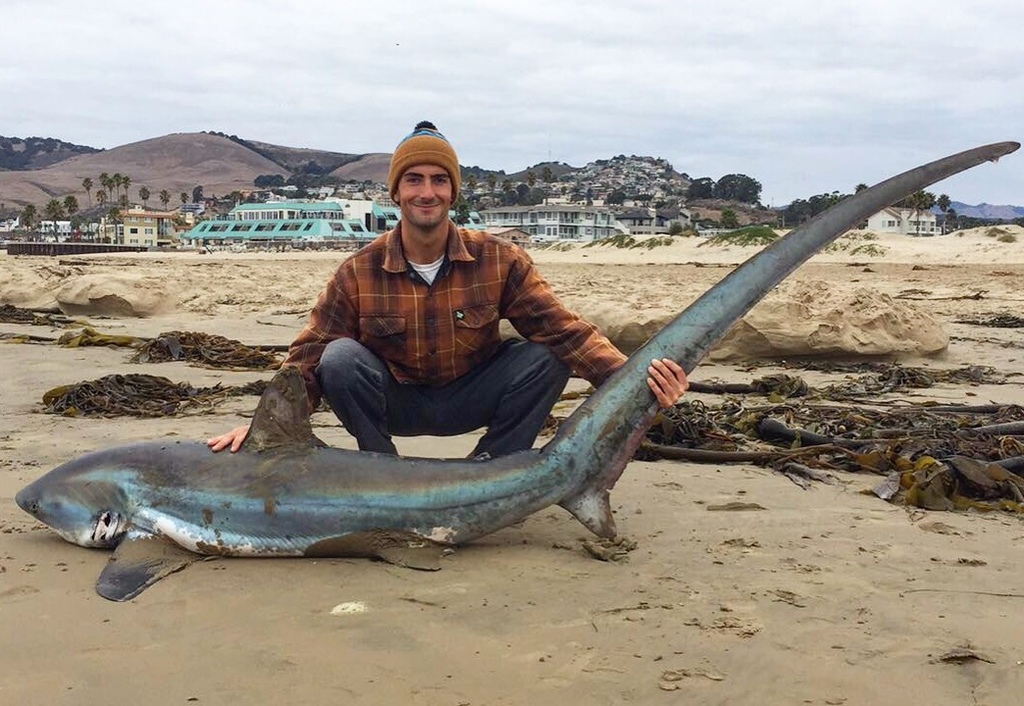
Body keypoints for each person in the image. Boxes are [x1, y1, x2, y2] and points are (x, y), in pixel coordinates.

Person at [208, 121, 688, 458]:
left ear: (453, 192)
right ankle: (379, 469)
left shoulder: (500, 259)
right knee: (338, 357)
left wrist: (636, 384)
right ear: (395, 192)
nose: (427, 192)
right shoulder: (358, 271)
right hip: (395, 402)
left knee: (546, 356)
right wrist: (262, 428)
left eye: (439, 180)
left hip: (469, 397)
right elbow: (307, 360)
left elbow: (568, 333)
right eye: (413, 180)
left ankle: (496, 468)